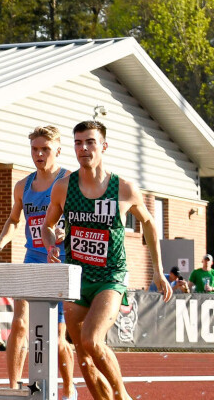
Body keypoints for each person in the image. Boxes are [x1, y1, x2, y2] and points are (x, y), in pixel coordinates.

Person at [44, 120, 171, 400]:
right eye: (78, 143)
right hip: (76, 278)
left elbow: (149, 223)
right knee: (84, 356)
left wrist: (158, 271)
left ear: (104, 146)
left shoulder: (123, 188)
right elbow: (48, 225)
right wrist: (51, 241)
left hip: (110, 278)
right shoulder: (63, 187)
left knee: (92, 340)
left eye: (90, 142)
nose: (83, 148)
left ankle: (121, 395)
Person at [0, 126, 76, 398]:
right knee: (20, 323)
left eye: (45, 149)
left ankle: (69, 388)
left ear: (58, 151)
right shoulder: (22, 185)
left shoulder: (69, 180)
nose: (39, 154)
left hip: (60, 262)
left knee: (59, 333)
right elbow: (15, 220)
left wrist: (65, 231)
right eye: (35, 149)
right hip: (32, 258)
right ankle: (14, 386)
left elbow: (81, 217)